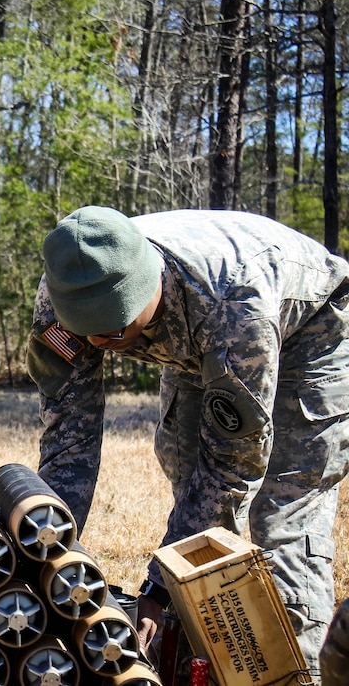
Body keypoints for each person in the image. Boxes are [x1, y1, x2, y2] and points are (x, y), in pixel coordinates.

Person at [26, 205, 349, 674]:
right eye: (85, 332)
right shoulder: (64, 289)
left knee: (280, 520)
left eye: (113, 331)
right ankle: (189, 656)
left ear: (145, 290)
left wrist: (159, 586)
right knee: (182, 464)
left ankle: (296, 673)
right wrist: (42, 555)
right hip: (197, 342)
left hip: (310, 335)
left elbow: (233, 469)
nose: (98, 344)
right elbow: (68, 443)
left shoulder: (236, 307)